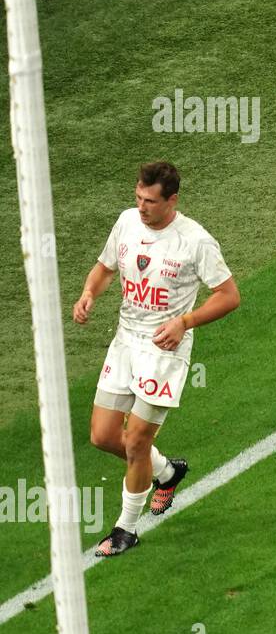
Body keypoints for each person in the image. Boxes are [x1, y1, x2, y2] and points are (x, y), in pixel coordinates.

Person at [73, 162, 240, 556]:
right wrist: (89, 293)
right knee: (102, 435)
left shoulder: (195, 241)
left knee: (136, 442)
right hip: (125, 343)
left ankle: (126, 529)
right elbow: (105, 268)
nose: (141, 206)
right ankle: (166, 472)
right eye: (138, 197)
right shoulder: (127, 222)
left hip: (164, 351)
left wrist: (185, 322)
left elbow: (229, 296)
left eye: (150, 201)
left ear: (172, 200)